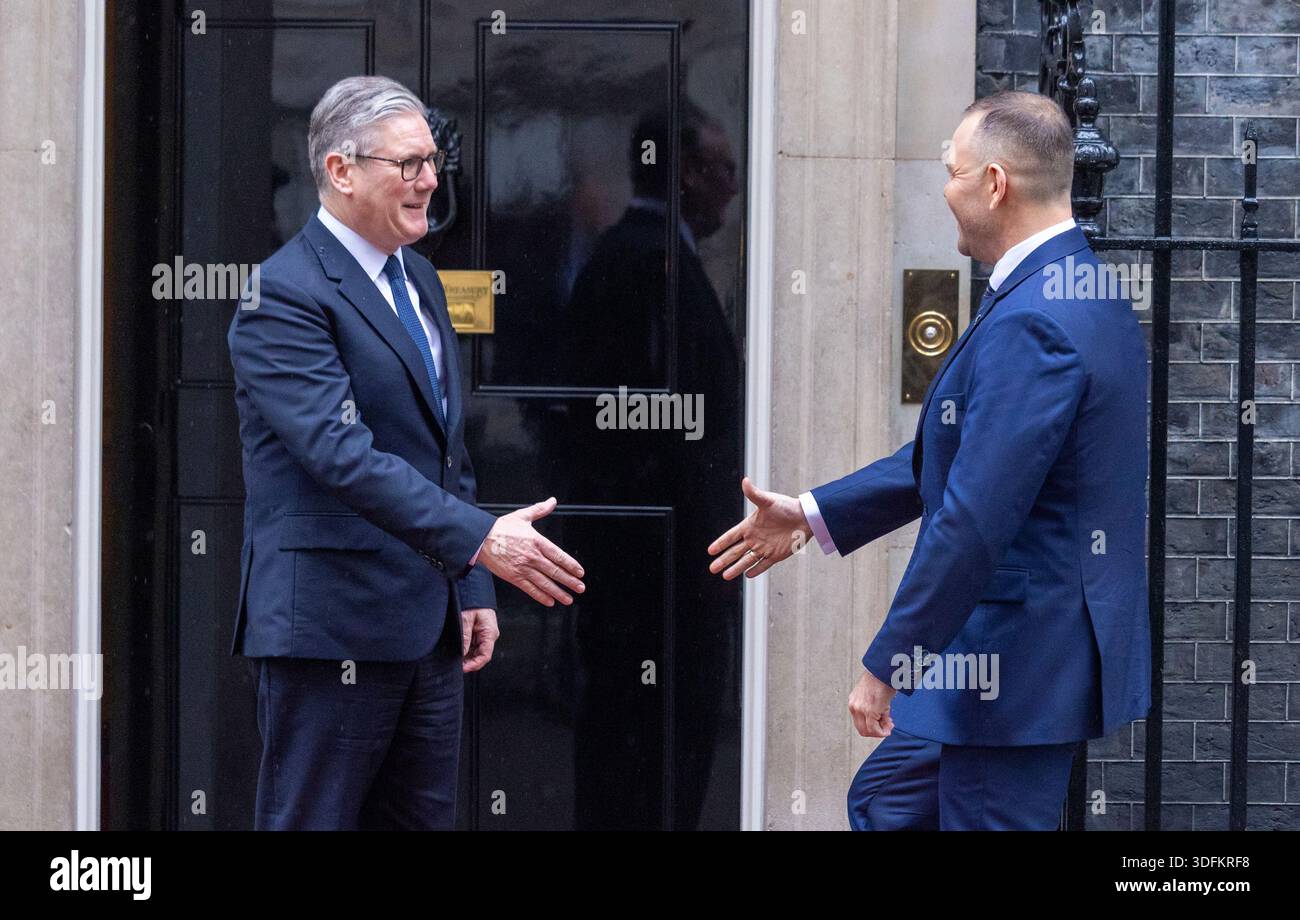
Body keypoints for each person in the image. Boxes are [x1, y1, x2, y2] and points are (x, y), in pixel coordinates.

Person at [707, 90, 1152, 830]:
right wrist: (814, 511)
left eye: (952, 172)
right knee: (885, 803)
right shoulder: (1082, 288)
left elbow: (974, 518)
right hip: (1028, 653)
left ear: (995, 184)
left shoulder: (1037, 318)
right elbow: (957, 457)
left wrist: (888, 664)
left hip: (1012, 665)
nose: (944, 190)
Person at [227, 75, 584, 830]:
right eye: (409, 164)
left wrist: (470, 586)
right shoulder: (283, 295)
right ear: (340, 170)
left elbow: (444, 450)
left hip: (427, 631)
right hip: (330, 630)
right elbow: (337, 452)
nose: (430, 180)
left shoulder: (417, 277)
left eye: (433, 161)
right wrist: (484, 542)